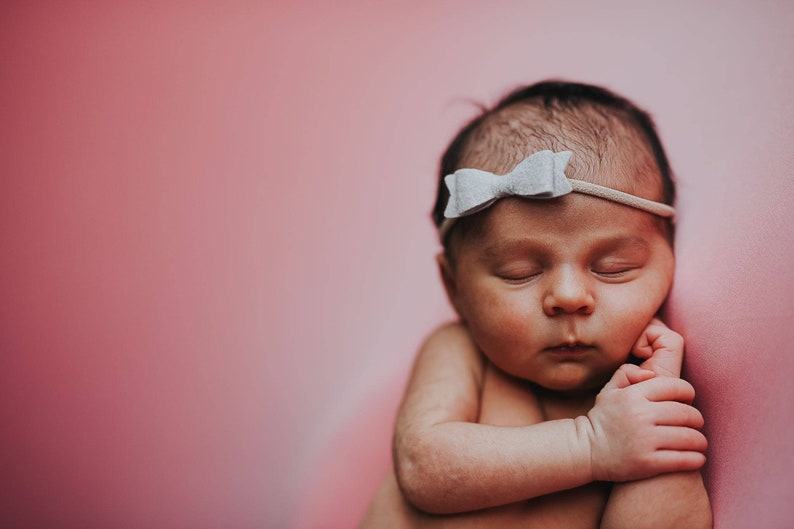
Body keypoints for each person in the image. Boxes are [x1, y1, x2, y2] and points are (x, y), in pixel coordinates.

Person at [361, 80, 712, 528]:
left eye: (614, 266)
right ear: (455, 289)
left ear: (672, 256)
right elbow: (423, 467)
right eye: (518, 273)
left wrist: (656, 410)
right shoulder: (461, 352)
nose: (568, 297)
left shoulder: (636, 406)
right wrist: (590, 443)